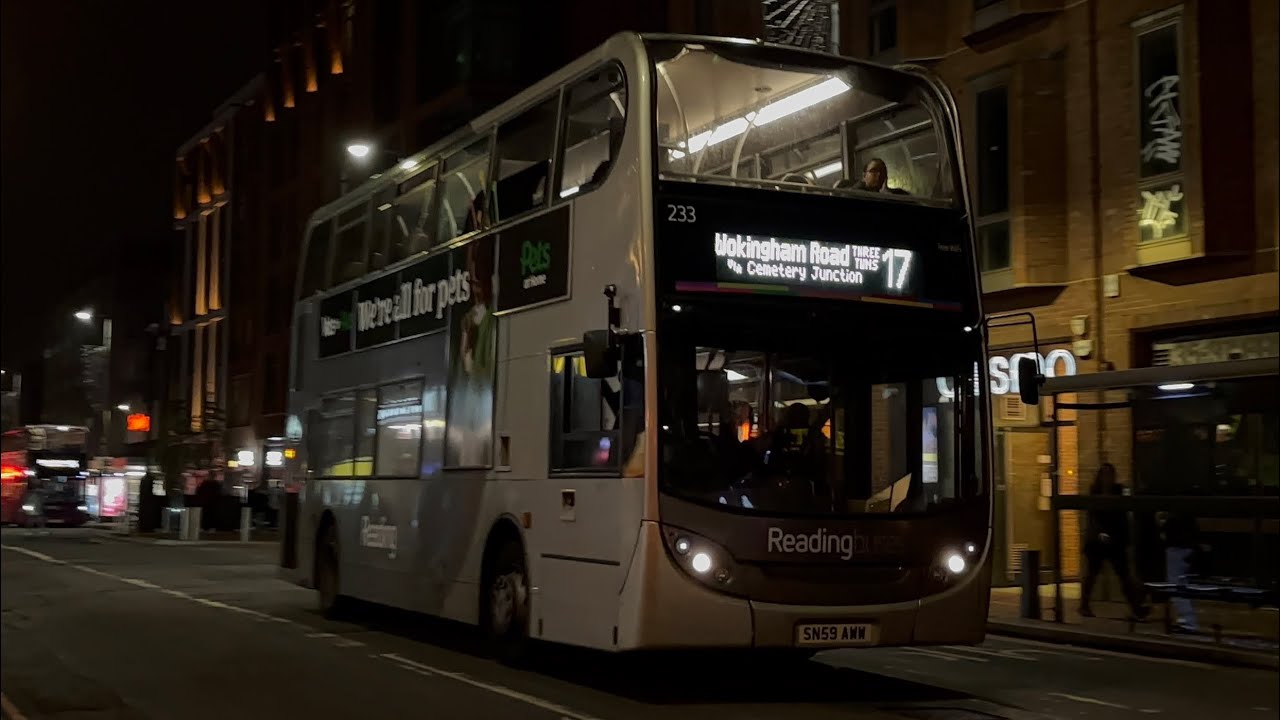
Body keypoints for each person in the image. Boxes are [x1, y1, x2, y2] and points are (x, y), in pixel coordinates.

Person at [1079, 463, 1149, 620]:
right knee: (1092, 574)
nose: (1108, 478)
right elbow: (1094, 517)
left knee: (1124, 575)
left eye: (1110, 474)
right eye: (1105, 474)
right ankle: (1084, 605)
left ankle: (1136, 607)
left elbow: (1123, 514)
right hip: (1098, 541)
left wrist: (1125, 538)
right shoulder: (1095, 492)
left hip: (1116, 539)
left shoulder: (1119, 490)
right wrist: (1100, 533)